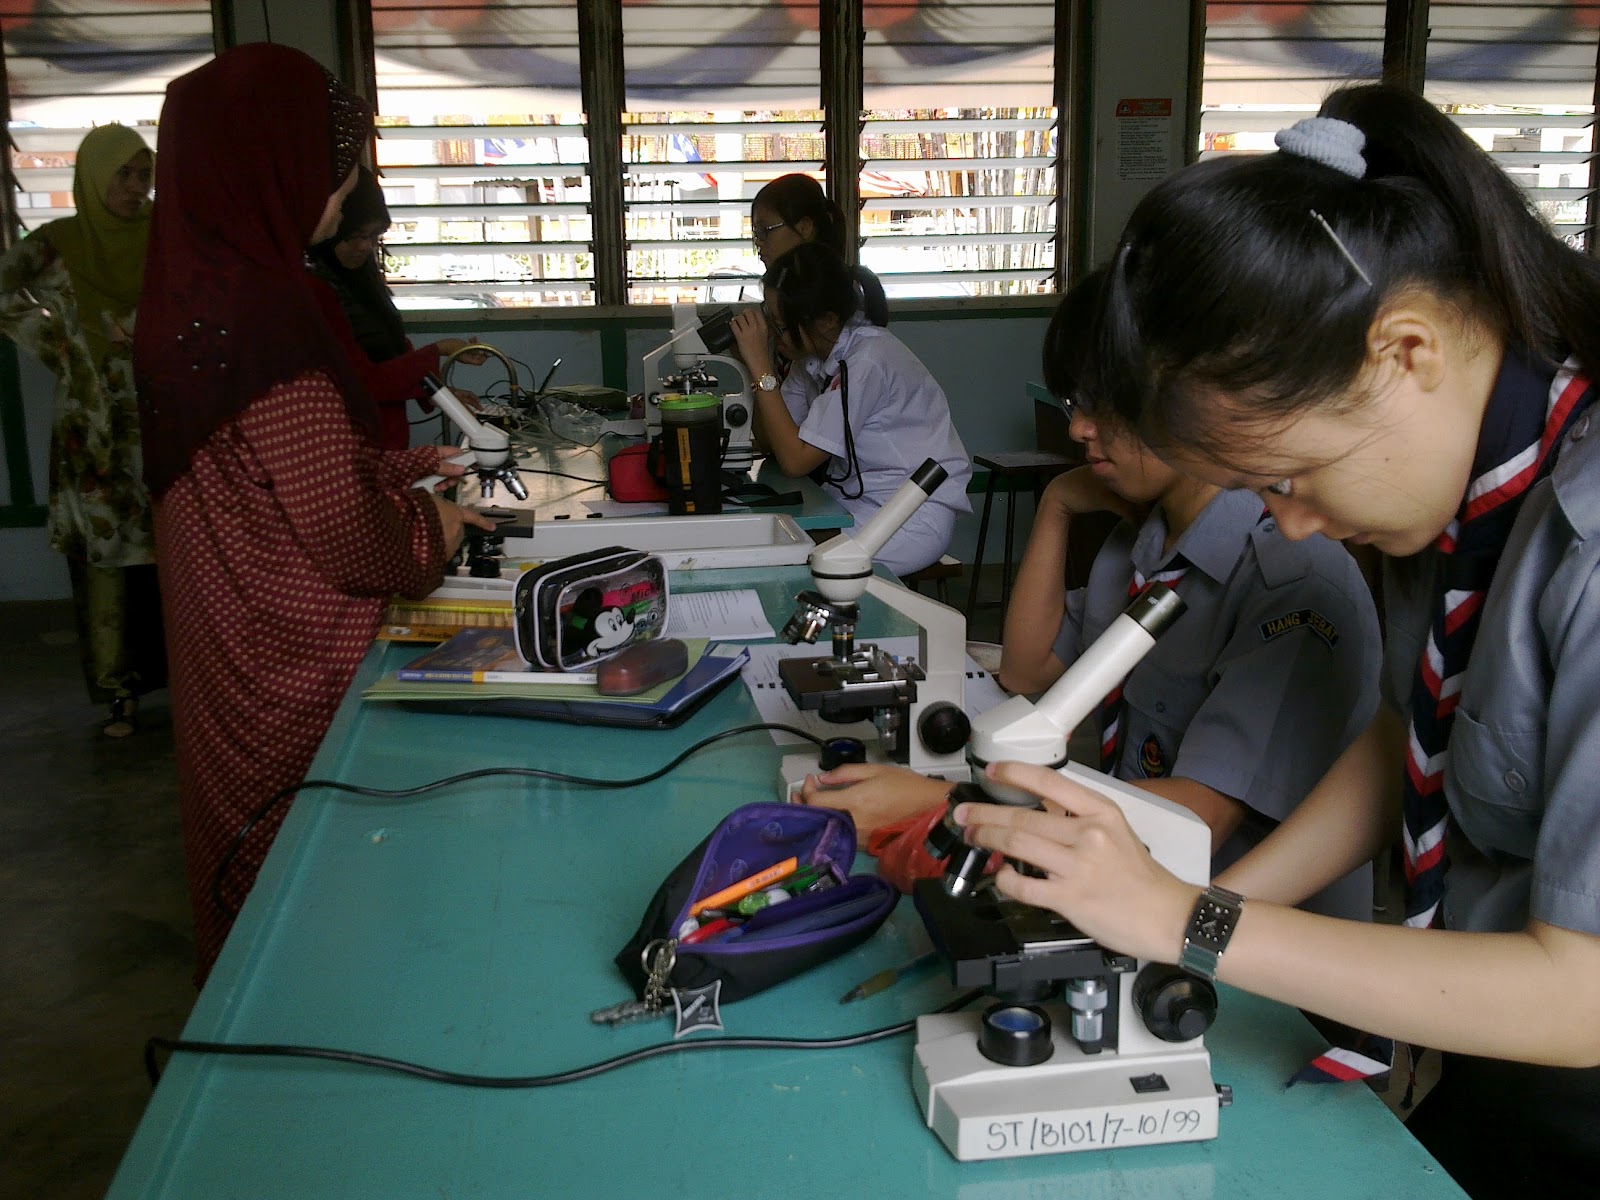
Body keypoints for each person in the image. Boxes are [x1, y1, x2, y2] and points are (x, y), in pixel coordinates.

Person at [950, 85, 1600, 1198]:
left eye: (1292, 478)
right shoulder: (1463, 492)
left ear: (1404, 351)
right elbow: (1412, 733)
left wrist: (1191, 921)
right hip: (1490, 1058)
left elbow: (1579, 996)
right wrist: (1191, 914)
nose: (1292, 523)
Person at [801, 270, 1381, 923]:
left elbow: (1200, 818)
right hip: (1121, 888)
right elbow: (1027, 670)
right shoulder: (1143, 542)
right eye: (1074, 401)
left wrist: (944, 804)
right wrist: (1056, 505)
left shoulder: (1292, 583)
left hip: (1244, 936)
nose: (1078, 427)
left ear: (1194, 397)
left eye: (1105, 402)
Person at [134, 44, 494, 982]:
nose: (345, 189)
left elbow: (267, 471)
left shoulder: (191, 296)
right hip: (287, 663)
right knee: (318, 904)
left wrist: (404, 464)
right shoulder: (269, 315)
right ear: (270, 162)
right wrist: (432, 530)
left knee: (256, 899)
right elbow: (343, 537)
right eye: (335, 166)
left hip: (226, 647)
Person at [0, 123, 164, 736]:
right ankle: (119, 690)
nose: (135, 187)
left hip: (166, 419)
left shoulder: (167, 236)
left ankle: (184, 678)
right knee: (106, 559)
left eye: (144, 174)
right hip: (95, 432)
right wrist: (61, 345)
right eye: (122, 174)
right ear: (92, 176)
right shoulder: (59, 243)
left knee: (173, 552)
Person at [730, 242, 970, 576]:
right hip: (854, 502)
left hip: (909, 517)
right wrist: (752, 366)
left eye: (780, 326)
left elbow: (796, 461)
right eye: (767, 318)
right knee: (769, 540)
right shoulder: (812, 357)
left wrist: (760, 366)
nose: (772, 334)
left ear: (826, 321)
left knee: (793, 560)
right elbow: (774, 443)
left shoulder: (867, 361)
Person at [306, 166, 486, 451]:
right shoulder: (315, 288)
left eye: (373, 236)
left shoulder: (359, 276)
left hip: (386, 438)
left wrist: (441, 393)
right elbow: (364, 381)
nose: (365, 247)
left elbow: (390, 349)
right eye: (355, 236)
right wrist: (439, 349)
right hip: (356, 443)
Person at [750, 173, 889, 326]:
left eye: (764, 230)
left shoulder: (829, 299)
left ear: (804, 228)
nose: (758, 241)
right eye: (755, 233)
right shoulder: (785, 291)